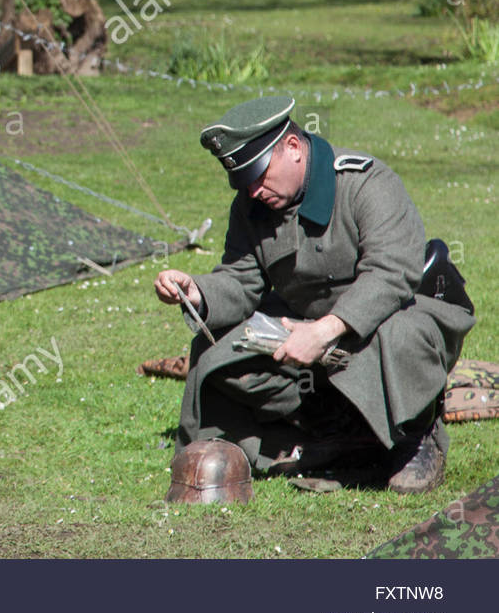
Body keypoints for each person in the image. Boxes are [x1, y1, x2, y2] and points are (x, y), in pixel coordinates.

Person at [153, 96, 475, 493]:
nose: (252, 190)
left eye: (258, 174)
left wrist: (324, 331)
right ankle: (339, 430)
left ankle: (414, 434)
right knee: (217, 349)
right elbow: (241, 280)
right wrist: (197, 291)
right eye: (242, 181)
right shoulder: (251, 206)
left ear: (292, 148)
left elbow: (392, 274)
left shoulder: (365, 182)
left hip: (389, 318)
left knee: (401, 337)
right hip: (303, 329)